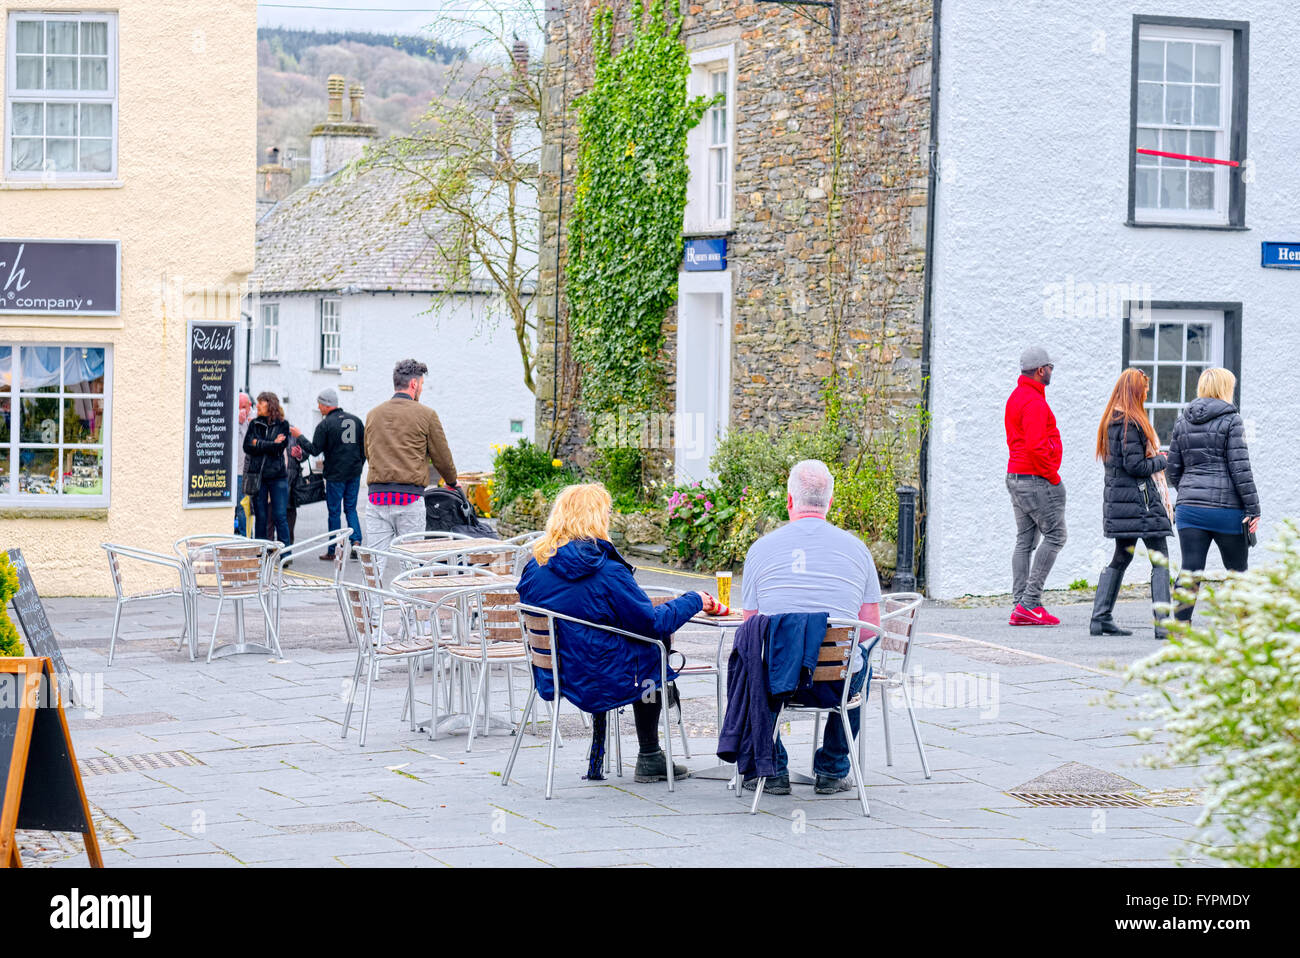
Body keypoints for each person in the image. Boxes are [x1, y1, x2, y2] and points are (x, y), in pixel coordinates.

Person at [516, 483, 722, 782]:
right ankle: (650, 754)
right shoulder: (607, 571)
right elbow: (651, 624)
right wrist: (694, 600)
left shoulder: (535, 565)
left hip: (554, 672)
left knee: (646, 649)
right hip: (598, 676)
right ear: (599, 519)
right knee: (653, 653)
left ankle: (641, 755)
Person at [737, 459, 881, 795]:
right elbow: (871, 628)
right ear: (830, 502)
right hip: (837, 683)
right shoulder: (857, 550)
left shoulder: (760, 550)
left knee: (756, 659)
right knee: (863, 663)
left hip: (779, 683)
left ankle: (772, 770)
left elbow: (750, 628)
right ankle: (832, 768)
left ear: (789, 501)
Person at [1166, 367, 1260, 623]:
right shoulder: (1232, 420)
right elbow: (1240, 469)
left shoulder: (1182, 420)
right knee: (1238, 571)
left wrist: (1187, 490)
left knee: (1190, 570)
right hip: (1226, 511)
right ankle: (1246, 629)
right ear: (1224, 388)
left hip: (1189, 509)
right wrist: (1254, 509)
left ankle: (1180, 628)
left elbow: (1172, 470)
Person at [1089, 369, 1172, 638]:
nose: (1147, 394)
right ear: (1135, 391)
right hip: (1141, 503)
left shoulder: (1111, 420)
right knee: (1160, 560)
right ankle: (1163, 625)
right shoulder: (1129, 423)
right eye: (1144, 389)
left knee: (1121, 557)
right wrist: (1162, 460)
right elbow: (1135, 465)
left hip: (1122, 503)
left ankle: (1100, 618)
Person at [363, 359, 458, 579]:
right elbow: (442, 457)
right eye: (422, 384)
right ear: (413, 384)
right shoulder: (426, 415)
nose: (422, 389)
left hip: (377, 498)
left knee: (374, 567)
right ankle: (411, 614)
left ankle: (372, 614)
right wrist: (452, 482)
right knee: (412, 568)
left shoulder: (373, 414)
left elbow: (369, 453)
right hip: (409, 499)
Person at [1005, 346, 1066, 626]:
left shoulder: (1016, 397)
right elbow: (1037, 447)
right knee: (1055, 536)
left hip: (1016, 476)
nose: (1052, 371)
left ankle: (1021, 603)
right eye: (1050, 367)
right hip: (1035, 479)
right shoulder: (1034, 402)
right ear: (1041, 370)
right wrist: (1053, 476)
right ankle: (1029, 603)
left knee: (1025, 540)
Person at [291, 387, 365, 560]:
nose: (318, 407)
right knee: (350, 509)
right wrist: (359, 465)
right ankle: (356, 543)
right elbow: (364, 449)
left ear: (326, 405)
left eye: (320, 404)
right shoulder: (356, 421)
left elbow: (314, 450)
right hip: (354, 472)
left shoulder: (324, 425)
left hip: (335, 474)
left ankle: (334, 549)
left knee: (334, 512)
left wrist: (299, 436)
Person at [243, 391, 292, 546]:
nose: (257, 405)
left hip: (278, 476)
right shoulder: (254, 424)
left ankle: (285, 553)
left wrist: (259, 443)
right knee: (261, 516)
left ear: (269, 404)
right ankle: (260, 553)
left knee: (280, 516)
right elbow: (247, 446)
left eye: (260, 402)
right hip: (259, 476)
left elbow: (279, 448)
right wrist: (270, 443)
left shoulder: (283, 424)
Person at [235, 392, 252, 536]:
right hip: (234, 471)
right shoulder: (233, 420)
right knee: (235, 506)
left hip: (245, 472)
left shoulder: (252, 422)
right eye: (239, 407)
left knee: (243, 507)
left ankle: (245, 536)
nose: (241, 410)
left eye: (244, 407)